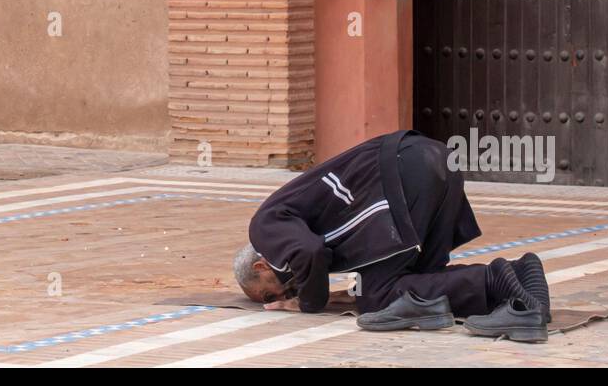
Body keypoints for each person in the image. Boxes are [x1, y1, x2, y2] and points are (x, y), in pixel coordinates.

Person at [233, 130, 551, 342]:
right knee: (419, 284)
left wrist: (308, 302)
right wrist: (350, 291)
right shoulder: (284, 218)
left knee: (378, 298)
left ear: (261, 266)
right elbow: (330, 248)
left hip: (403, 172)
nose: (278, 299)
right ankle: (526, 278)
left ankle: (497, 281)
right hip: (430, 160)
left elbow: (310, 251)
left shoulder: (262, 229)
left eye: (269, 296)